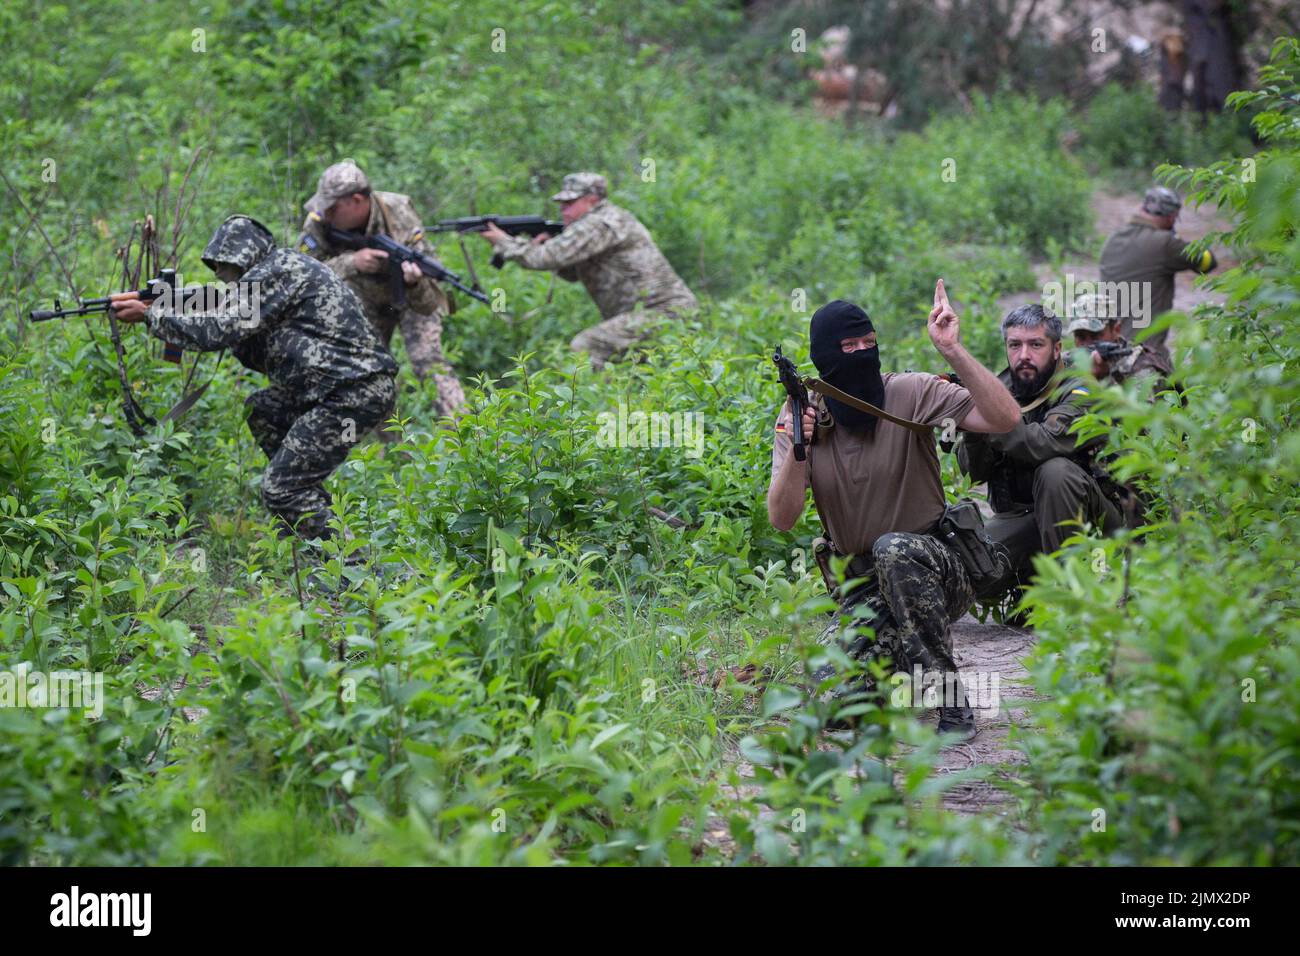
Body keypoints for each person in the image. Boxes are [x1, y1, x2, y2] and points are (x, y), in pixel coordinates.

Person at [767, 282, 1020, 738]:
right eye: (849, 346)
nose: (862, 354)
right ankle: (899, 665)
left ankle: (951, 699)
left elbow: (1005, 419)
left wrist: (953, 352)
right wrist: (799, 450)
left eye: (869, 343)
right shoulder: (803, 415)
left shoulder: (911, 392)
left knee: (895, 548)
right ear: (826, 356)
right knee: (829, 705)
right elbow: (782, 519)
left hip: (938, 569)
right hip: (865, 588)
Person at [111, 215, 397, 542]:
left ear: (243, 256)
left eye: (223, 264)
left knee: (281, 489)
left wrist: (151, 315)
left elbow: (219, 330)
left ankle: (355, 568)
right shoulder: (278, 272)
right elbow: (255, 347)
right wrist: (176, 304)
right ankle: (316, 519)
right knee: (264, 410)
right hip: (339, 388)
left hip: (351, 392)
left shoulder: (274, 272)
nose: (219, 274)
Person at [957, 304, 1134, 584]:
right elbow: (974, 473)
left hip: (1093, 523)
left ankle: (1076, 588)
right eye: (1014, 345)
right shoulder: (999, 389)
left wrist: (990, 415)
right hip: (1025, 518)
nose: (1023, 355)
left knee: (1056, 472)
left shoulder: (1081, 389)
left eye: (1035, 344)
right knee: (970, 571)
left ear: (1056, 349)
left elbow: (1042, 443)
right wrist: (971, 424)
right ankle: (1031, 583)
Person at [298, 160, 463, 425]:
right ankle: (394, 450)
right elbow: (301, 272)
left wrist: (413, 282)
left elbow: (428, 303)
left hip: (411, 299)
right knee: (370, 373)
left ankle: (467, 434)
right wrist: (351, 262)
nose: (326, 213)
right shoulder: (319, 221)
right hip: (364, 303)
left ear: (357, 200)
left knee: (429, 362)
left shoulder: (398, 212)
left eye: (332, 207)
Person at [478, 172, 698, 369]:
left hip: (663, 313)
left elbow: (544, 259)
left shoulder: (599, 222)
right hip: (659, 314)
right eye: (562, 204)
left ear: (592, 200)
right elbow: (573, 273)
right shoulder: (603, 220)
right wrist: (544, 244)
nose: (563, 210)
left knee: (586, 347)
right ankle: (622, 411)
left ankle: (600, 410)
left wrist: (504, 242)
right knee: (638, 372)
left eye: (570, 203)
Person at [1098, 185, 1217, 370]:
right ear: (1171, 217)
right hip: (1143, 354)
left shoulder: (1113, 239)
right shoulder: (1165, 243)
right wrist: (1175, 238)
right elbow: (1208, 262)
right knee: (1177, 396)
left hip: (1107, 350)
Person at [1067, 292, 1172, 388]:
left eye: (1096, 336)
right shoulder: (1070, 362)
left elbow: (1143, 407)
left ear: (1116, 330)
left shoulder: (1142, 365)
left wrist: (1103, 376)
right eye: (1080, 337)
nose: (1087, 344)